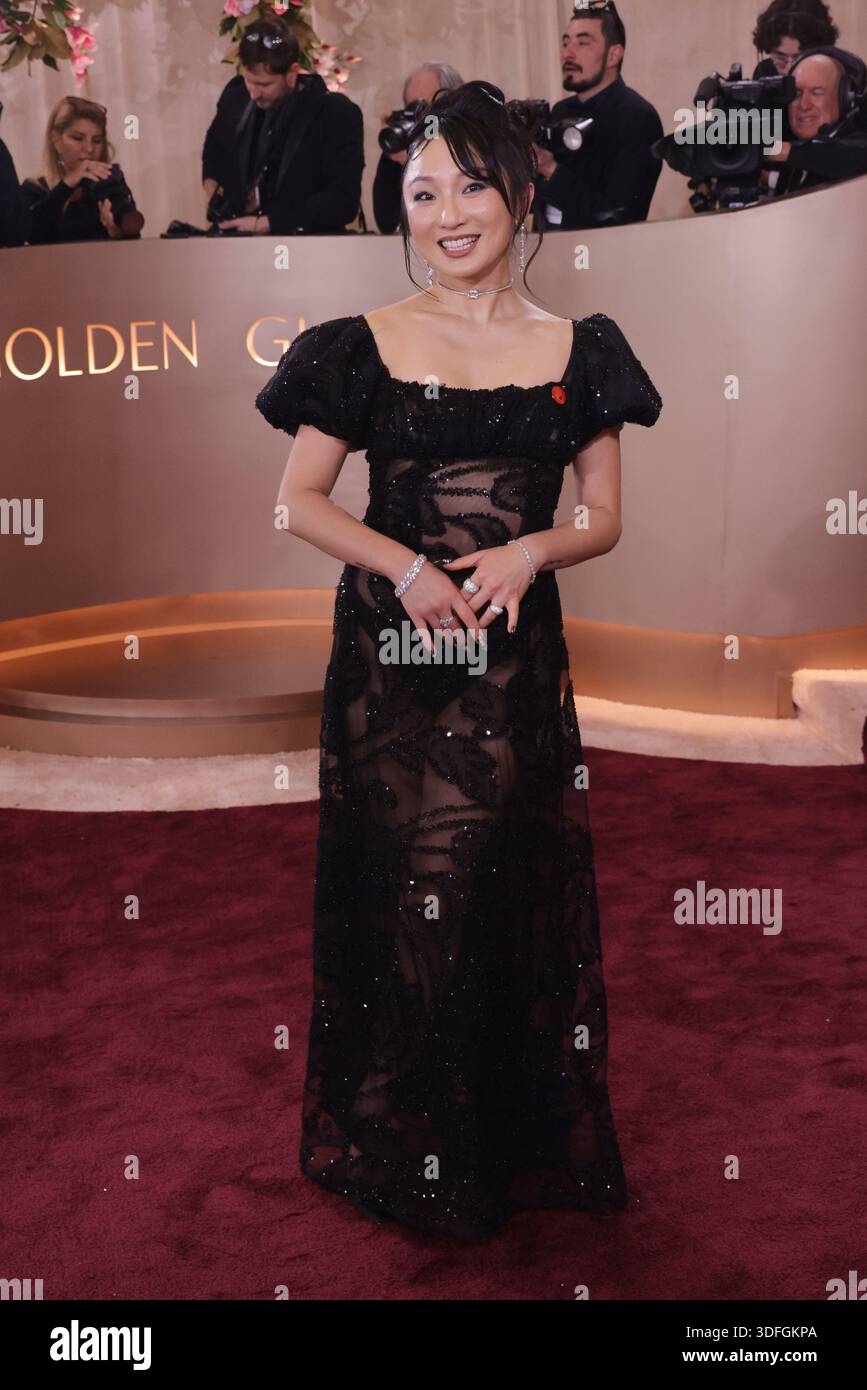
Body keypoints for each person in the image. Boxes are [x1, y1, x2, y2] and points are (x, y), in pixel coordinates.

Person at [255, 79, 662, 1242]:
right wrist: (411, 569)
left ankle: (498, 1130)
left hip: (511, 665)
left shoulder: (578, 349)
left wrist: (531, 550)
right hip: (393, 662)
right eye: (422, 191)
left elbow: (603, 518)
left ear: (522, 192)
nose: (446, 212)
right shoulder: (362, 344)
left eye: (471, 185)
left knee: (491, 883)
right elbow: (297, 502)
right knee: (404, 892)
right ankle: (402, 1130)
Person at [201, 15, 364, 235]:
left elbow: (343, 201)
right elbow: (214, 149)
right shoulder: (236, 95)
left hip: (309, 249)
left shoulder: (335, 113)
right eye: (249, 80)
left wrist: (268, 223)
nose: (254, 93)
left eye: (265, 84)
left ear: (292, 73)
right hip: (237, 247)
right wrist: (211, 185)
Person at [532, 0, 663, 230]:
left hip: (606, 257)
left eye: (583, 43)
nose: (567, 54)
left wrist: (551, 169)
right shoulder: (560, 111)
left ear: (613, 55)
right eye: (565, 43)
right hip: (547, 254)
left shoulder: (637, 117)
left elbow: (620, 214)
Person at [21, 96, 142, 244]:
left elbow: (134, 241)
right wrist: (67, 184)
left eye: (97, 141)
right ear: (56, 141)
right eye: (78, 138)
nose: (89, 148)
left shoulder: (108, 182)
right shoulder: (35, 188)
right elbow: (31, 235)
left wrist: (117, 234)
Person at [373, 61, 464, 233]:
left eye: (426, 107)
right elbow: (388, 223)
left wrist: (426, 162)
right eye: (412, 107)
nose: (420, 117)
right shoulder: (404, 146)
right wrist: (402, 163)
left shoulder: (476, 144)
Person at [763, 48, 867, 196]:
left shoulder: (857, 148)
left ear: (845, 98)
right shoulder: (795, 161)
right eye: (797, 94)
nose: (804, 105)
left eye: (816, 92)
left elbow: (842, 156)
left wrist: (774, 148)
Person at [752, 0, 840, 77]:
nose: (789, 71)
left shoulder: (833, 77)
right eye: (781, 59)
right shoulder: (765, 73)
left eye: (800, 60)